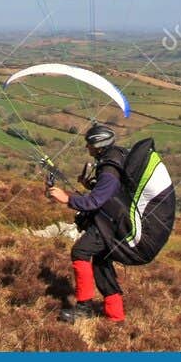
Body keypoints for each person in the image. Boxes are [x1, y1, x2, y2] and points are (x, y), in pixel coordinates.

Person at [47, 122, 143, 323]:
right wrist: (89, 184)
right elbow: (110, 193)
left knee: (80, 252)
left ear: (99, 144)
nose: (86, 147)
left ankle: (84, 308)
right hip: (118, 221)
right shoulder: (114, 158)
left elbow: (95, 201)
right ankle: (116, 317)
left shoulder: (109, 170)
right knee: (101, 264)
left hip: (109, 224)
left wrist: (67, 198)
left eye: (89, 143)